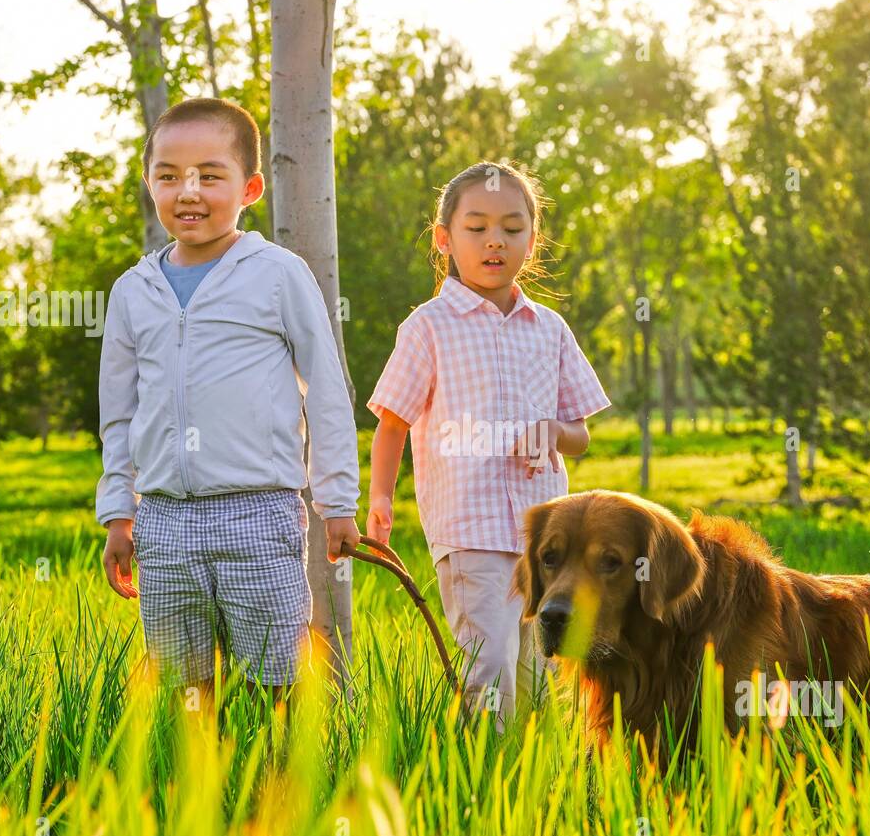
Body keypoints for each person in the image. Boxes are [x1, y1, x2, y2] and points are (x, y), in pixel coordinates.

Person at [96, 97, 361, 707]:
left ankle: (289, 790)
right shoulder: (134, 291)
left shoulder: (276, 273)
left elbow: (326, 388)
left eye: (209, 176)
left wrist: (338, 500)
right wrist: (118, 510)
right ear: (149, 184)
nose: (187, 192)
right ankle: (201, 792)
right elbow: (119, 413)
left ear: (250, 187)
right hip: (162, 521)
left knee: (281, 682)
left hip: (258, 512)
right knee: (187, 691)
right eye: (169, 176)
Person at [366, 160, 610, 730]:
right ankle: (482, 778)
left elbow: (581, 435)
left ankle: (539, 784)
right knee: (491, 662)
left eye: (511, 227)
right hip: (469, 529)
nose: (494, 241)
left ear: (533, 238)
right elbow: (393, 422)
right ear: (444, 239)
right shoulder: (428, 327)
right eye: (476, 228)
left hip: (546, 540)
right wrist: (379, 499)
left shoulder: (549, 329)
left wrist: (553, 430)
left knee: (541, 670)